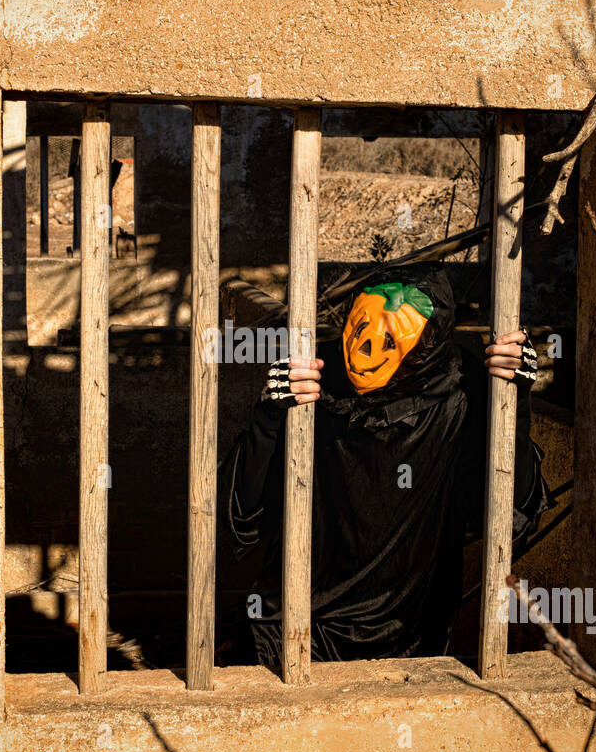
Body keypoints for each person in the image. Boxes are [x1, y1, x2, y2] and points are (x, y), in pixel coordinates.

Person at [219, 263, 552, 666]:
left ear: (431, 341)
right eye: (361, 328)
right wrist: (270, 417)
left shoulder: (460, 394)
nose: (367, 349)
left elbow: (507, 513)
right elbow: (243, 512)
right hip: (290, 627)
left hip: (410, 636)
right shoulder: (312, 380)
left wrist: (514, 401)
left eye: (392, 335)